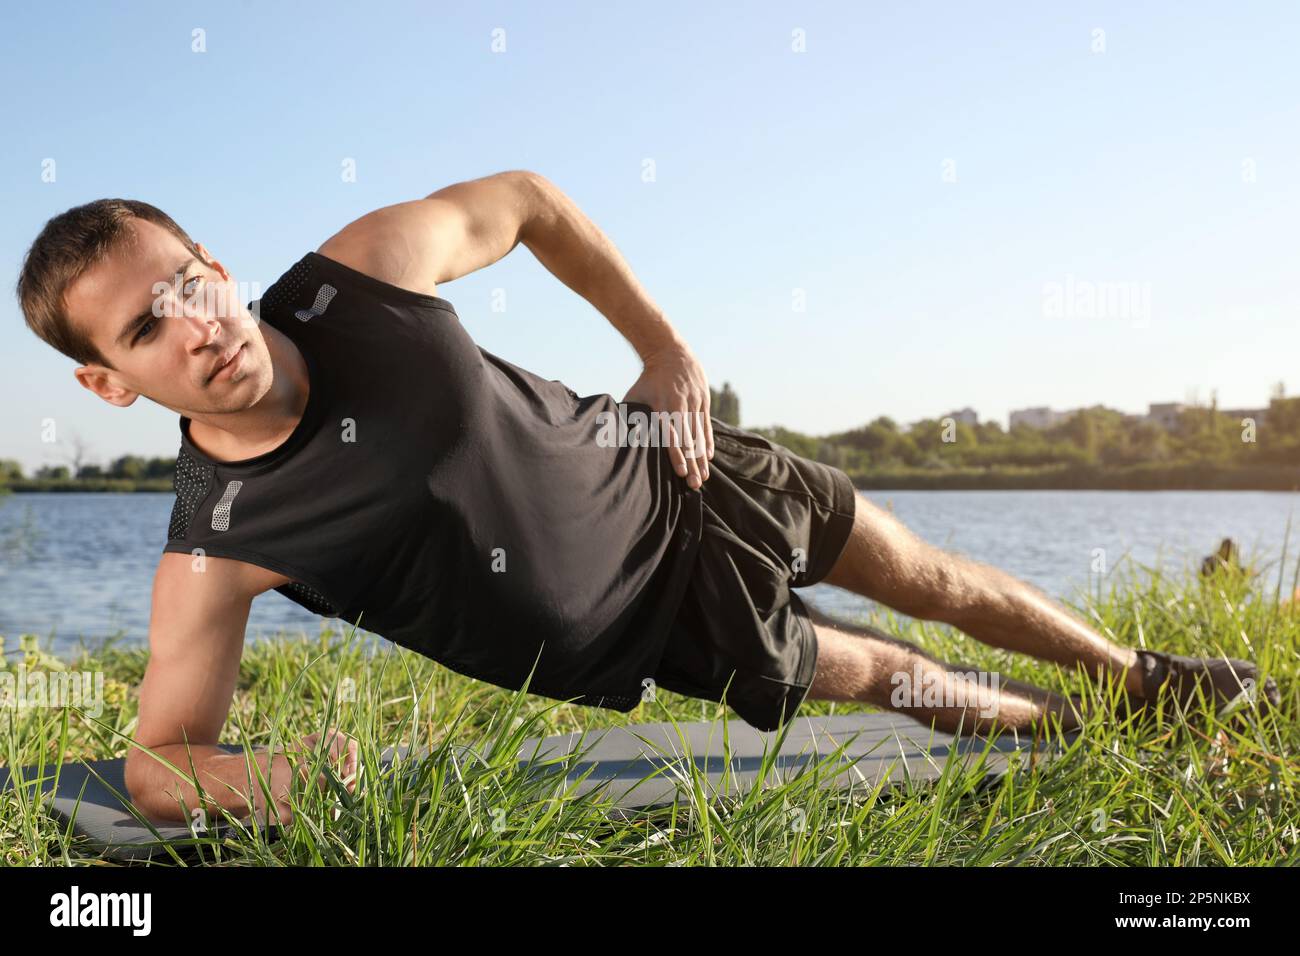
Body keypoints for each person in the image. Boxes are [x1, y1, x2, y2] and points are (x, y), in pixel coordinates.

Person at [15, 171, 1279, 825]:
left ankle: (1144, 677)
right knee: (891, 676)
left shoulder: (355, 280)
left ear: (217, 267)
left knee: (939, 576)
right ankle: (1074, 726)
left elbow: (527, 200)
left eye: (189, 281)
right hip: (653, 623)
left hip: (679, 460)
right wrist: (275, 775)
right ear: (108, 379)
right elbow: (154, 765)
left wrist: (666, 346)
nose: (195, 326)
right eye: (145, 324)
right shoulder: (214, 548)